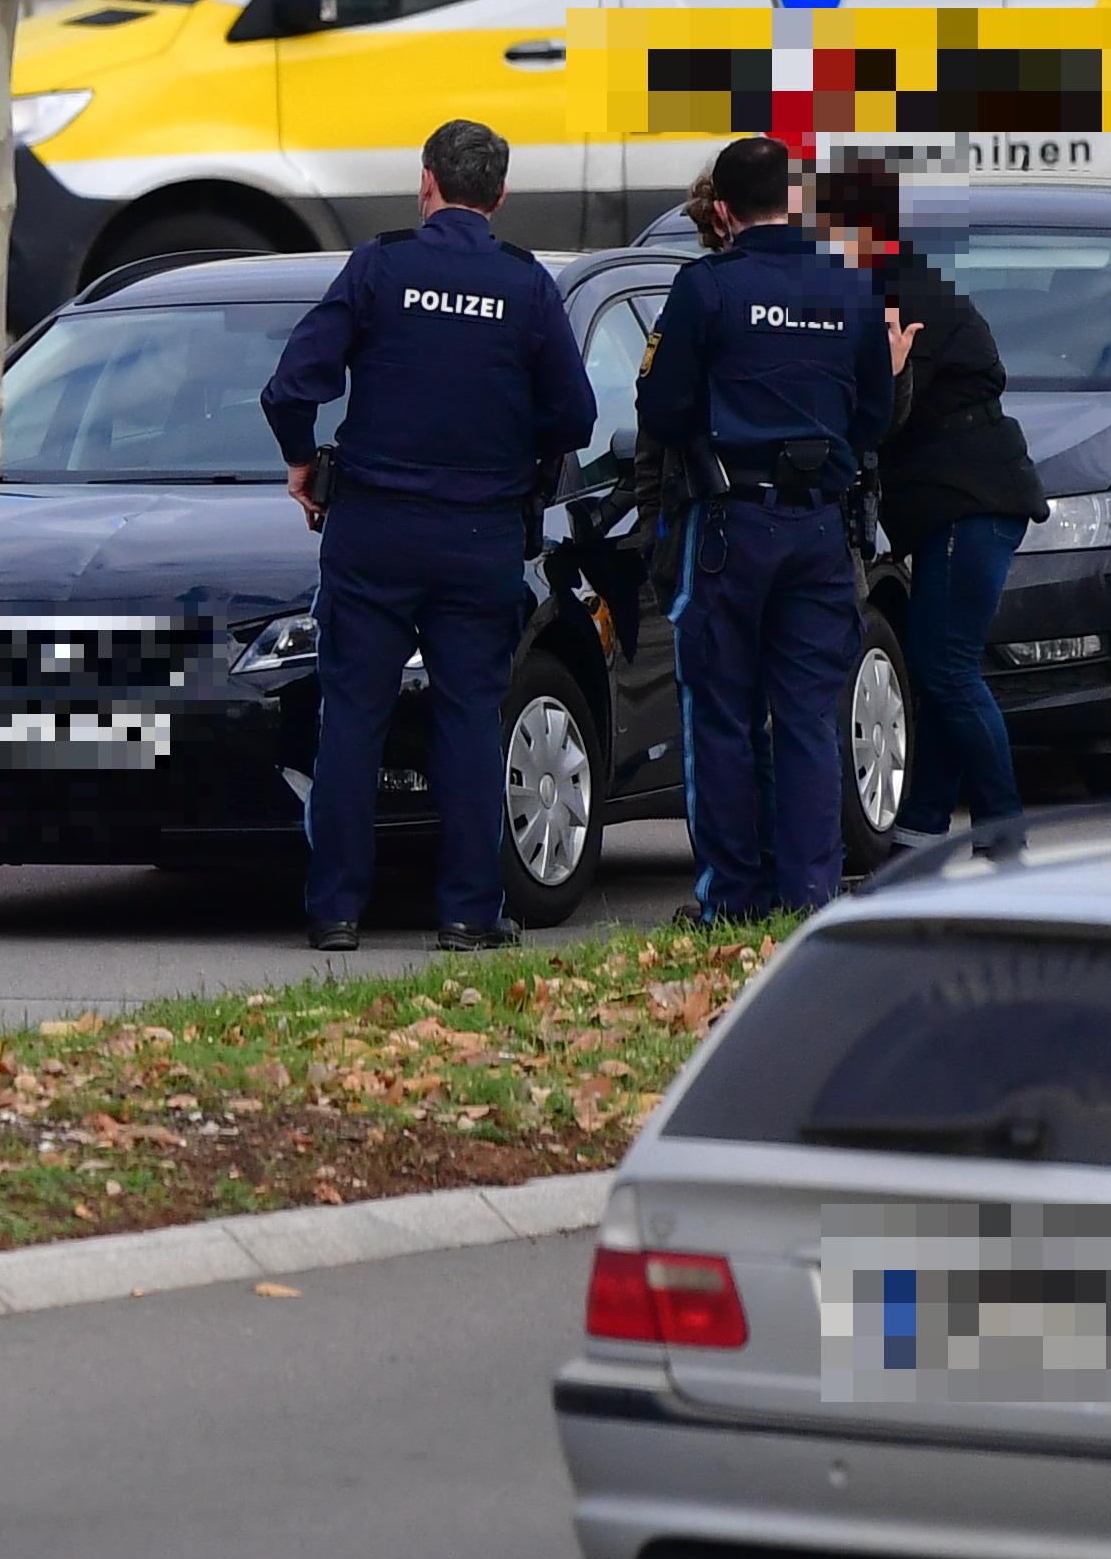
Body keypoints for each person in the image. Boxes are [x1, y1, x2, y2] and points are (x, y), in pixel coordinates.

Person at [258, 120, 591, 955]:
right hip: (479, 534)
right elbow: (577, 415)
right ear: (500, 196)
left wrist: (303, 462)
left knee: (353, 721)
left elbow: (291, 385)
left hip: (373, 529)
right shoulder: (525, 286)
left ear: (426, 182)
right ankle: (468, 915)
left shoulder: (380, 265)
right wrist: (522, 457)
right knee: (471, 721)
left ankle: (335, 912)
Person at [639, 135, 897, 921]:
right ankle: (811, 894)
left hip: (729, 529)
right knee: (812, 719)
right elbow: (874, 415)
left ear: (719, 208)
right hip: (819, 529)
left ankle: (733, 898)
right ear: (795, 200)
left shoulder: (706, 288)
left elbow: (662, 410)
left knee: (721, 717)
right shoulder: (850, 289)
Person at [828, 161, 1036, 844]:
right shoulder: (904, 282)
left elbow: (890, 408)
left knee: (946, 669)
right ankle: (920, 830)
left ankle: (1004, 828)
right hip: (973, 498)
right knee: (941, 666)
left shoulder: (897, 293)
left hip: (964, 502)